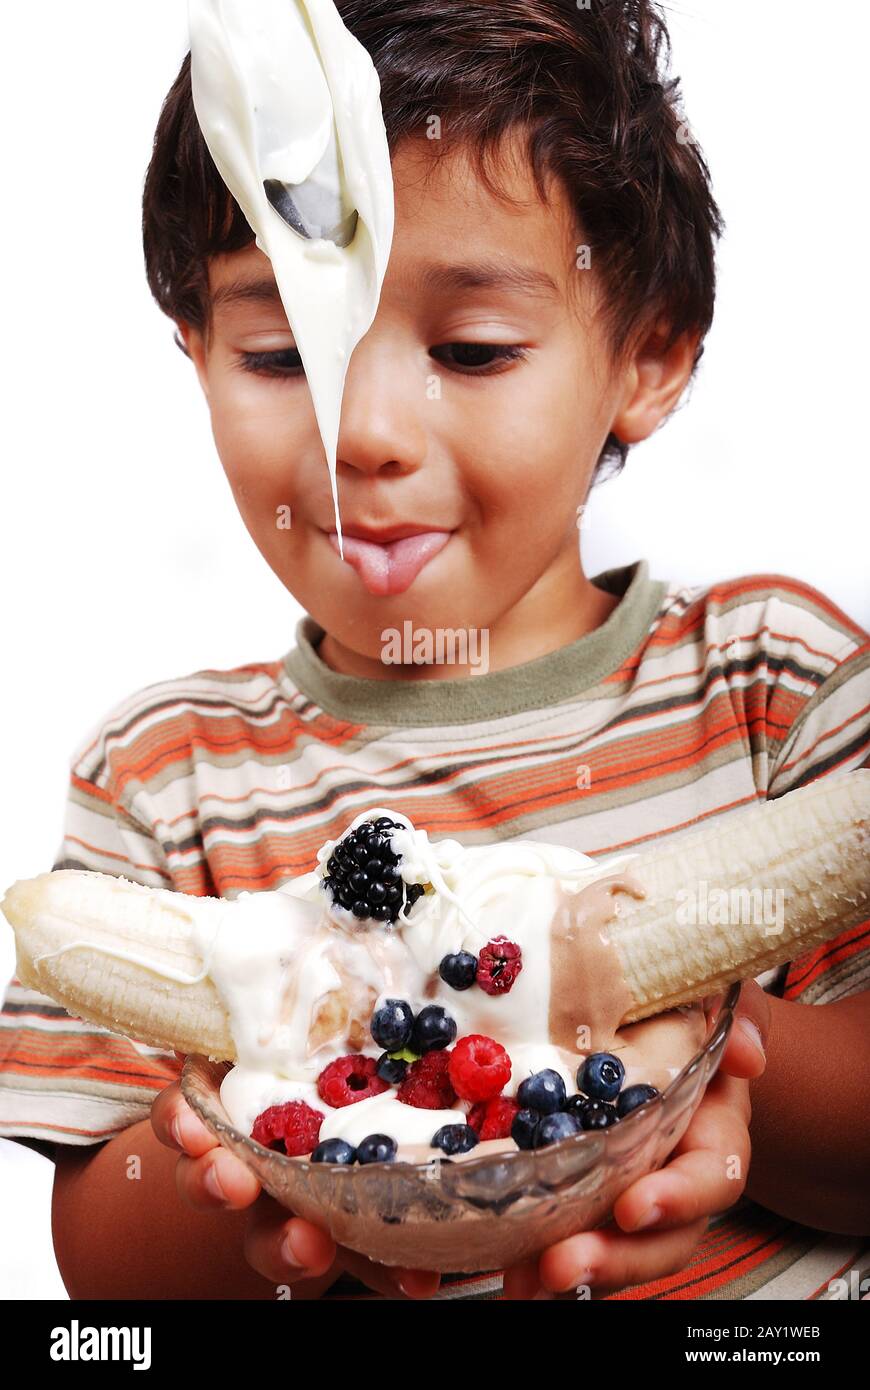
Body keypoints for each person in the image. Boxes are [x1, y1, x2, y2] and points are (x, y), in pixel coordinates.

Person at [1, 0, 867, 1301]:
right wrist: (292, 1157)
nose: (362, 435)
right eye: (282, 351)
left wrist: (668, 1050)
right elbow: (106, 1266)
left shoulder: (772, 681)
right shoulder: (163, 777)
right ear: (193, 352)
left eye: (469, 350)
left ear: (647, 354)